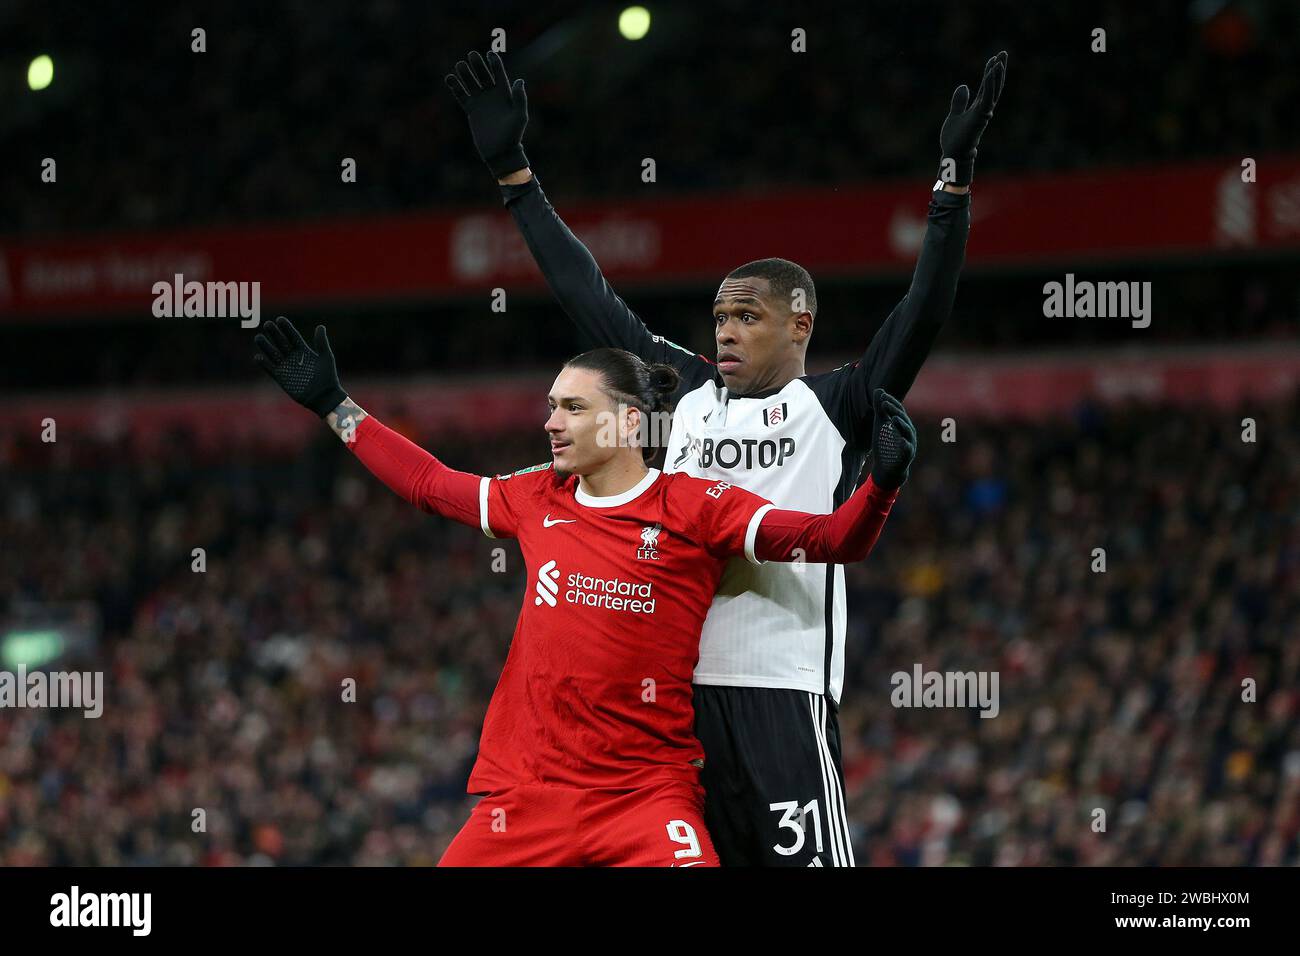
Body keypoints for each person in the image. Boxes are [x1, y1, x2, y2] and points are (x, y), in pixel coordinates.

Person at [446, 48, 1006, 864]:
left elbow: (924, 311)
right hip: (678, 701)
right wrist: (515, 175)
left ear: (800, 324)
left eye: (747, 315)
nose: (727, 330)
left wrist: (951, 190)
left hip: (782, 691)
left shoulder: (837, 403)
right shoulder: (685, 397)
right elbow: (586, 294)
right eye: (719, 316)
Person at [253, 316, 916, 866]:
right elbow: (429, 484)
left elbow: (834, 540)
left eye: (573, 407)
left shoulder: (696, 508)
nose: (552, 423)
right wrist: (334, 407)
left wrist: (880, 485)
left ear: (630, 424)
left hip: (645, 800)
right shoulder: (536, 495)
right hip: (530, 799)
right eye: (551, 407)